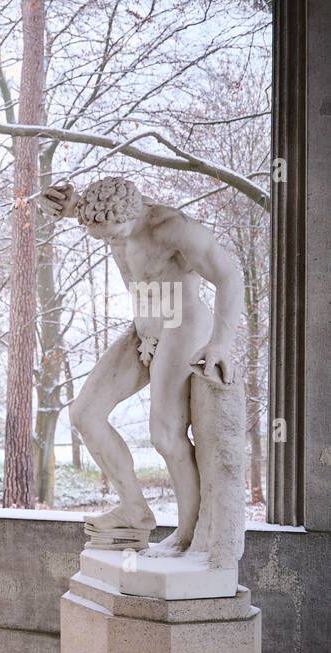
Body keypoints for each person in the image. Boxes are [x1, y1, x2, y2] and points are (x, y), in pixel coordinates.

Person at [39, 176, 242, 555]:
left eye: (113, 233)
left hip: (182, 323)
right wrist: (58, 205)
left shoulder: (174, 228)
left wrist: (221, 343)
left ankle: (189, 534)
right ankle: (134, 511)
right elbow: (76, 209)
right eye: (99, 235)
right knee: (84, 414)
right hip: (143, 325)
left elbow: (229, 276)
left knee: (165, 435)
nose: (109, 242)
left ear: (133, 215)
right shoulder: (103, 216)